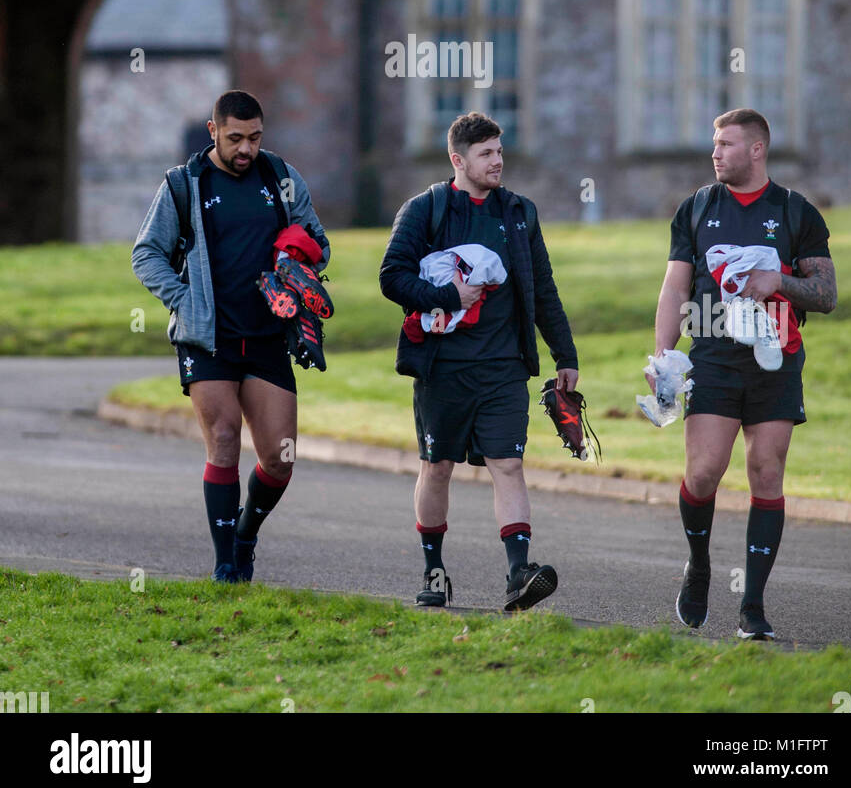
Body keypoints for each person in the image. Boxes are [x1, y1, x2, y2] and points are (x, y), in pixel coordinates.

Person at [379, 111, 579, 613]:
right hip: (442, 366)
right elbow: (392, 277)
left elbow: (544, 290)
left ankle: (518, 574)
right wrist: (447, 294)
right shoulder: (425, 209)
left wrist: (565, 353)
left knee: (508, 463)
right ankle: (435, 571)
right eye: (486, 153)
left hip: (503, 365)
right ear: (458, 160)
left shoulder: (519, 213)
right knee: (437, 467)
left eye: (500, 151)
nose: (497, 161)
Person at [652, 107, 836, 640]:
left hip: (776, 357)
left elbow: (826, 295)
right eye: (715, 143)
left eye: (727, 144)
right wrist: (662, 358)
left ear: (757, 149)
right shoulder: (696, 209)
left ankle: (752, 607)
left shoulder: (796, 213)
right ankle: (700, 565)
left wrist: (777, 278)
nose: (716, 152)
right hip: (711, 354)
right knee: (704, 471)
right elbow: (674, 290)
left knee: (766, 471)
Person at [132, 89, 330, 583]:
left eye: (255, 138)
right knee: (223, 439)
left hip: (267, 336)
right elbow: (146, 253)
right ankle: (225, 564)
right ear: (213, 131)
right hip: (209, 340)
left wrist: (298, 257)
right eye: (236, 138)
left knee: (279, 460)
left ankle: (246, 535)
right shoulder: (184, 185)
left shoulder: (281, 178)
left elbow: (318, 245)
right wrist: (184, 300)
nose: (246, 149)